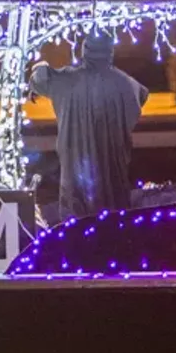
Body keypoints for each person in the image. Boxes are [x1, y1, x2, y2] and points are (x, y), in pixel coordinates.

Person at [29, 30, 149, 220]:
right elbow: (141, 96)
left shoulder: (66, 80)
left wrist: (41, 66)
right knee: (114, 215)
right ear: (110, 51)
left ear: (85, 50)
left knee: (76, 216)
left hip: (75, 165)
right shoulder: (124, 83)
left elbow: (40, 80)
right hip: (112, 164)